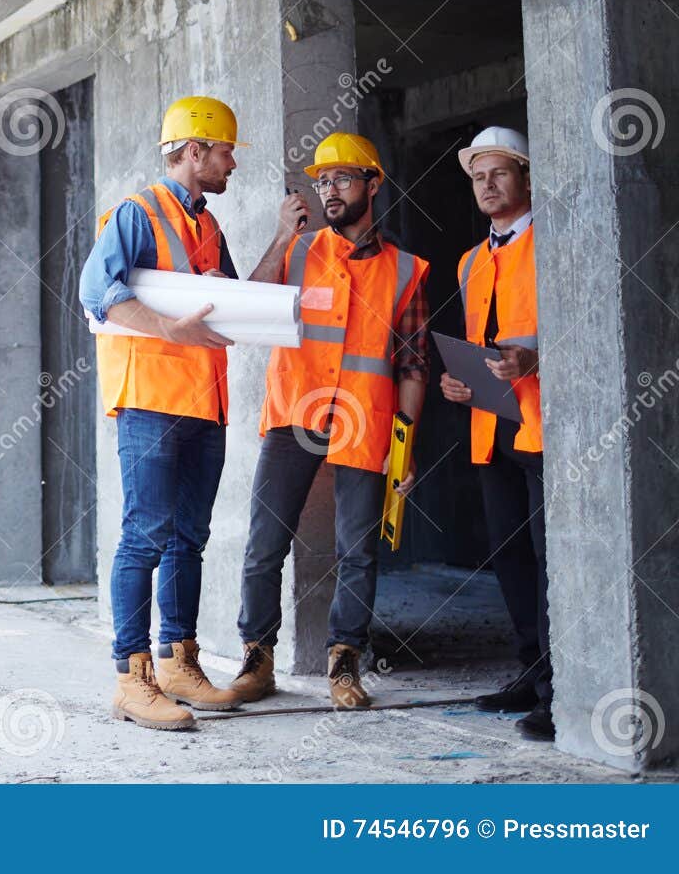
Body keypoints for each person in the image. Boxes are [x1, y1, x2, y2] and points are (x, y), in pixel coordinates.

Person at [229, 132, 429, 710]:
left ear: (373, 184)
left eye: (342, 177)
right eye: (322, 181)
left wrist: (404, 446)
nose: (329, 190)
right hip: (295, 412)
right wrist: (279, 236)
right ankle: (257, 659)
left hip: (366, 419)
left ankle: (344, 661)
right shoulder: (297, 251)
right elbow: (246, 310)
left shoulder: (406, 270)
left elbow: (413, 364)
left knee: (358, 550)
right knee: (265, 545)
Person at [78, 94, 246, 732]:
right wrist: (170, 330)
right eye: (225, 151)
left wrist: (281, 244)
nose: (232, 163)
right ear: (195, 150)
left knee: (188, 537)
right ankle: (132, 678)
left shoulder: (209, 226)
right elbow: (97, 292)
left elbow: (238, 302)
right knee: (145, 534)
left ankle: (179, 662)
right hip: (151, 397)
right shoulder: (138, 212)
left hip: (204, 401)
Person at [440, 127, 553, 741]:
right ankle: (532, 673)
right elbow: (477, 342)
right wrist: (457, 383)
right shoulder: (470, 261)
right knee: (510, 554)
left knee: (549, 557)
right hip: (491, 426)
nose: (487, 185)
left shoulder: (552, 241)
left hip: (546, 424)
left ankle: (560, 692)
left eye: (500, 173)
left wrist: (536, 359)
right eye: (478, 176)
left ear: (526, 178)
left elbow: (582, 324)